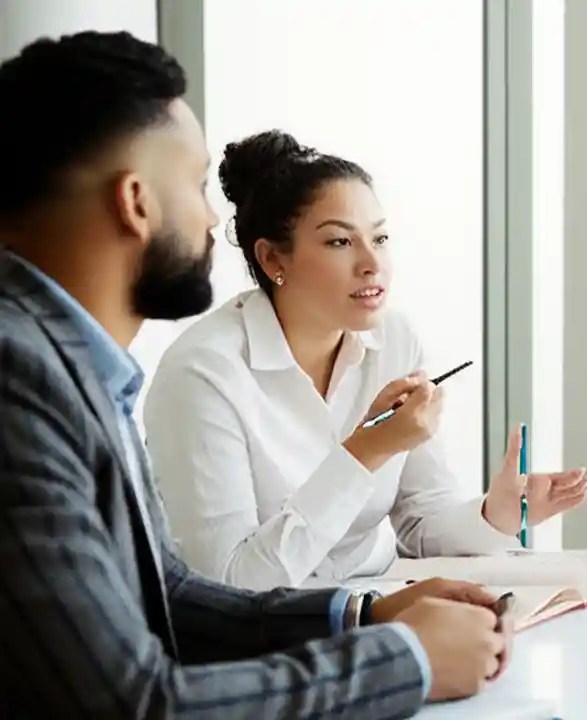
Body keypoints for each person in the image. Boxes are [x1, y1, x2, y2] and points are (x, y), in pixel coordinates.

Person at [0, 31, 510, 717]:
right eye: (196, 184)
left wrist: (362, 614)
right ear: (136, 201)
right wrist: (406, 660)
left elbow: (171, 594)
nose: (214, 219)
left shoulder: (74, 370)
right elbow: (133, 704)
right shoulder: (18, 385)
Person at [141, 128, 587, 591]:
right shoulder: (202, 373)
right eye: (340, 242)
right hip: (265, 639)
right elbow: (229, 583)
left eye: (379, 239)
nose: (371, 263)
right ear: (274, 258)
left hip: (377, 601)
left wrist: (496, 512)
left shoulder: (393, 339)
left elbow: (421, 523)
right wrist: (366, 451)